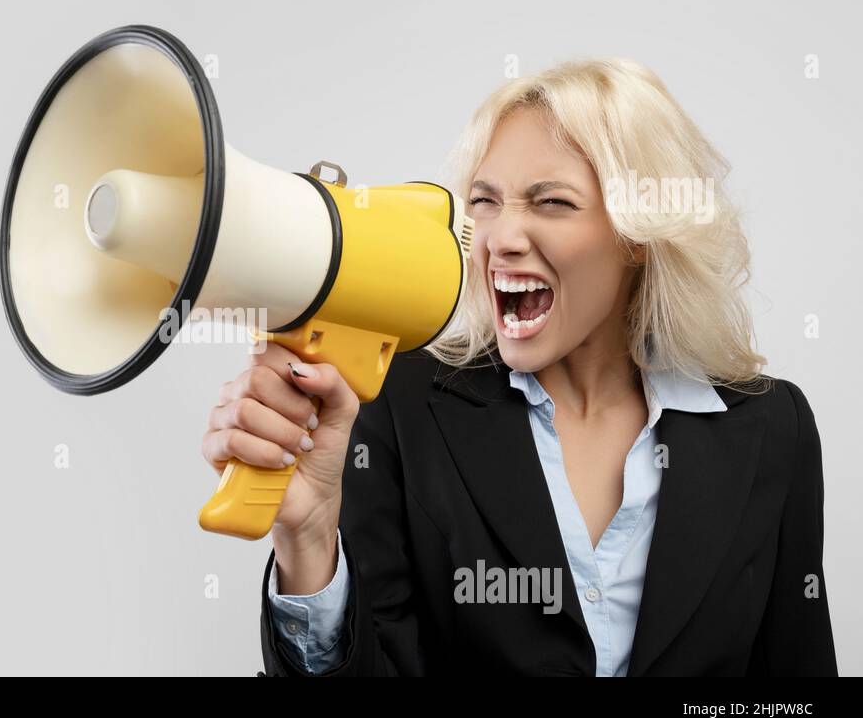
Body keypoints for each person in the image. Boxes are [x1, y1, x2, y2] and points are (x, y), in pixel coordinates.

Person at [201, 59, 837, 676]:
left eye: (551, 202)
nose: (499, 237)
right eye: (485, 200)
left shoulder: (771, 428)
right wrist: (310, 539)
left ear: (640, 234)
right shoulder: (397, 406)